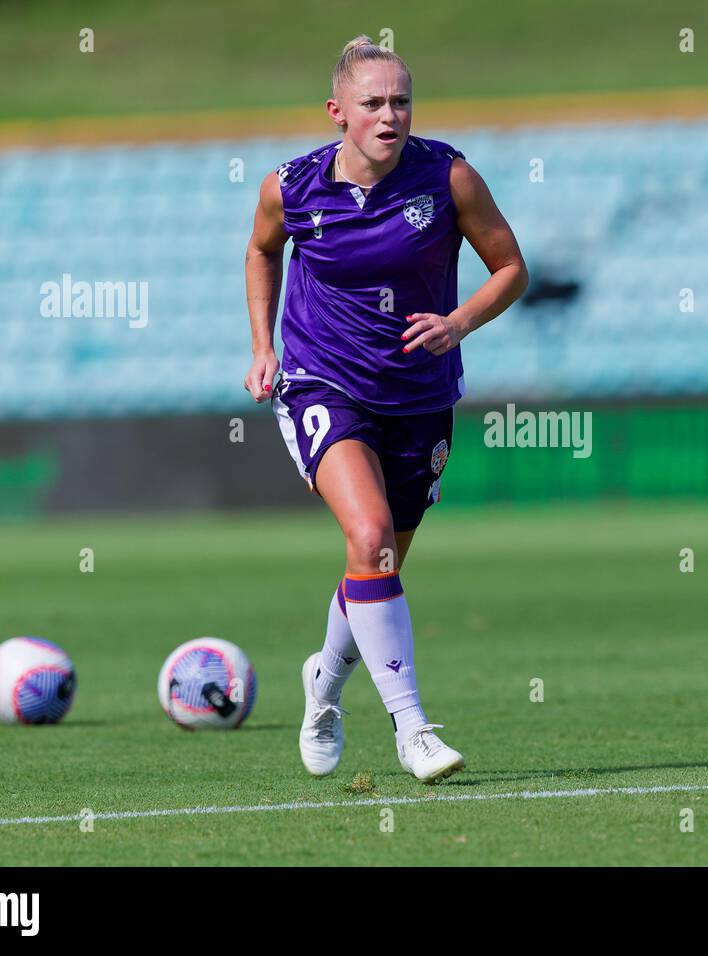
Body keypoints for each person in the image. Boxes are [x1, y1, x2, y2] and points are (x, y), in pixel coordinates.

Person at [243, 36, 528, 782]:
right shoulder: (292, 187)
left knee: (378, 559)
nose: (390, 115)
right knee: (368, 535)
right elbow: (262, 250)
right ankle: (413, 730)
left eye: (401, 100)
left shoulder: (449, 178)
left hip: (419, 395)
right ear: (339, 112)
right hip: (322, 382)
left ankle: (324, 686)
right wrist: (263, 346)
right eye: (373, 103)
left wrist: (457, 323)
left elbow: (511, 268)